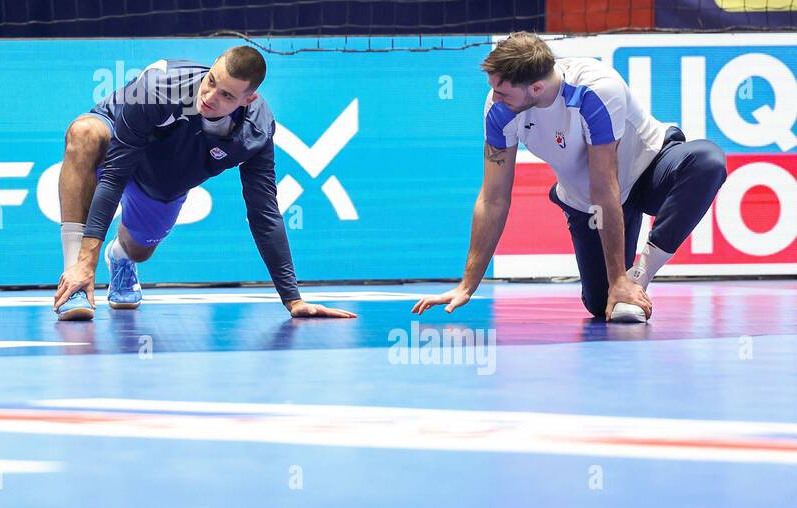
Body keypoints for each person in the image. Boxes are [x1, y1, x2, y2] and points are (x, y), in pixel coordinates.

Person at [413, 32, 727, 322]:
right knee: (600, 303)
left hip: (649, 169)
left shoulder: (595, 90)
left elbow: (605, 184)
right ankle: (613, 278)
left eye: (502, 92)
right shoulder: (499, 110)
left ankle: (639, 275)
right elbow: (493, 197)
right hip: (587, 198)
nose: (495, 98)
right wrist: (467, 286)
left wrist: (622, 279)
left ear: (536, 89)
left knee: (707, 162)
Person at [52, 46, 357, 322]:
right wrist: (83, 263)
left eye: (226, 95)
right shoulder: (159, 89)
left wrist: (293, 299)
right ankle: (74, 284)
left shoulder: (255, 132)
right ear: (210, 68)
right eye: (211, 81)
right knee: (84, 134)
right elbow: (115, 174)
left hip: (162, 181)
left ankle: (119, 257)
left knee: (139, 250)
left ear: (248, 99)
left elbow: (264, 213)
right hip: (119, 140)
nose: (210, 98)